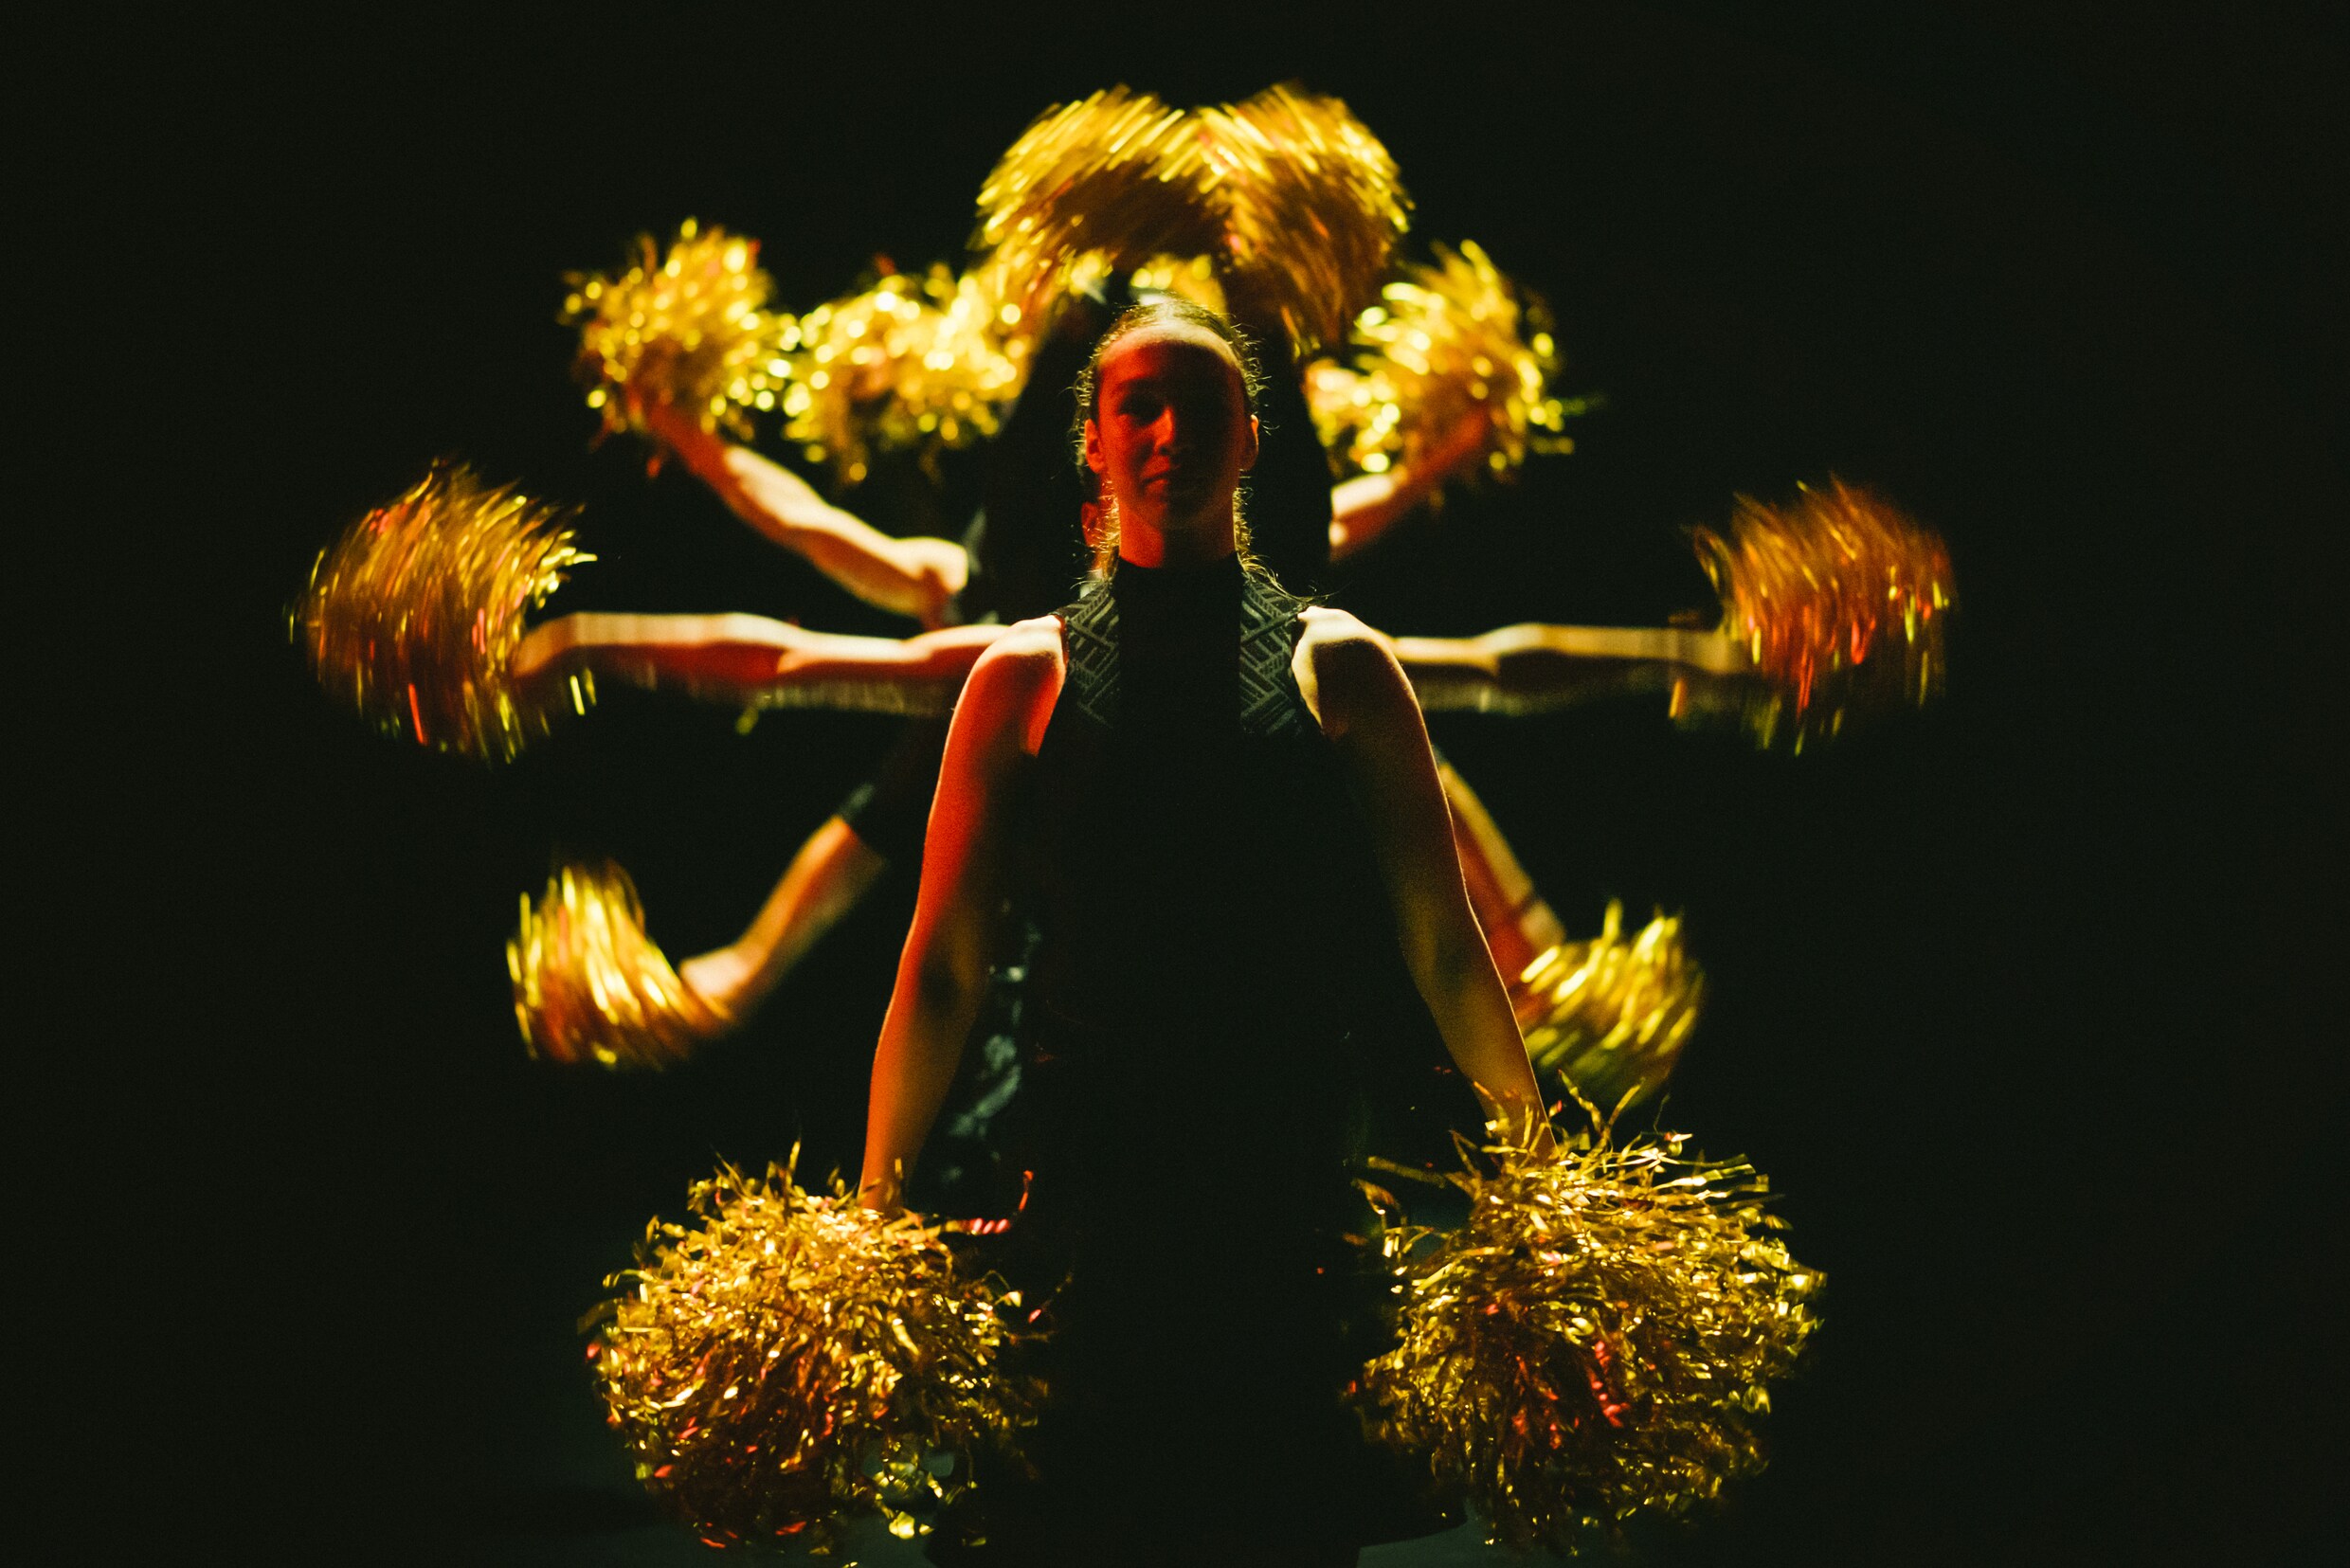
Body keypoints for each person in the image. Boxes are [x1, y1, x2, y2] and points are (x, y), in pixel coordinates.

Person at [856, 297, 1553, 1566]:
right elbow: (945, 966)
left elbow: (1444, 946)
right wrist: (871, 1209)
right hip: (1090, 1198)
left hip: (1282, 1196)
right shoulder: (1021, 675)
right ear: (1096, 446)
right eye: (1138, 405)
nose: (1169, 430)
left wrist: (1538, 1164)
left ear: (1249, 442)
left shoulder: (1340, 667)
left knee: (1274, 1524)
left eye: (1203, 407)